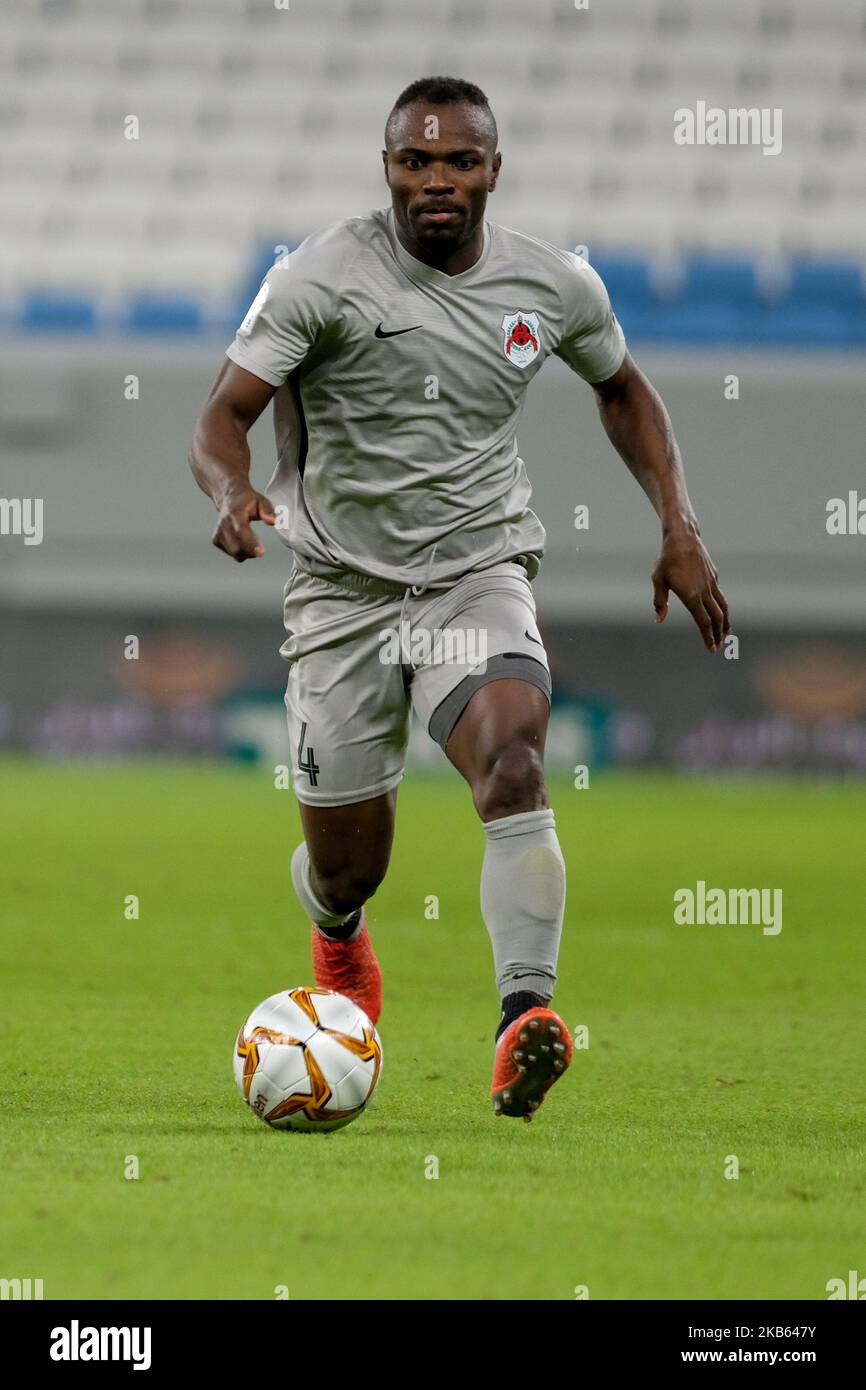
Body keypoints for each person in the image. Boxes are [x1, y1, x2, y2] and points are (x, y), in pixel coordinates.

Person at [190, 76, 730, 1122]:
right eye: (413, 161)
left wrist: (679, 526)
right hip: (340, 592)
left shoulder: (552, 283)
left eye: (458, 161)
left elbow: (621, 386)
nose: (435, 181)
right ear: (386, 168)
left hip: (472, 567)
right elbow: (221, 412)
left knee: (514, 755)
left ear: (493, 169)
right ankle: (339, 941)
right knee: (349, 864)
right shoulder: (318, 276)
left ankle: (521, 1021)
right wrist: (230, 488)